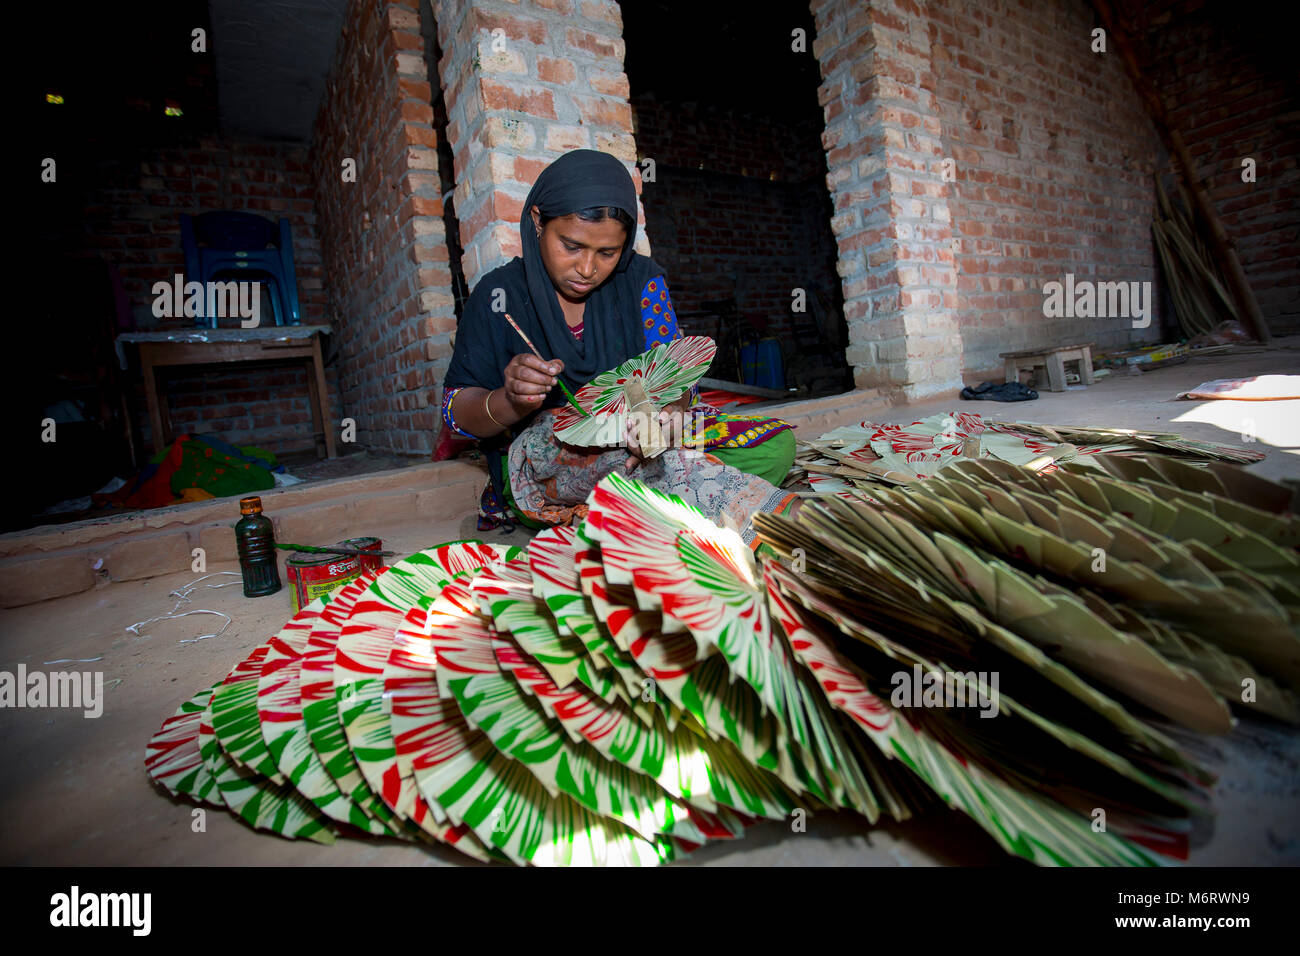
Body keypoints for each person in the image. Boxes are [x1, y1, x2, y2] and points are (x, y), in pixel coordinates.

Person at [440, 149, 799, 544]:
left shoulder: (642, 282)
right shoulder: (498, 296)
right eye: (572, 245)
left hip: (638, 435)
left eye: (607, 252)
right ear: (538, 221)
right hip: (547, 453)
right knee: (634, 464)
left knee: (774, 447)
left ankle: (634, 503)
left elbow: (676, 379)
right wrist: (511, 400)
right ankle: (664, 498)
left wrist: (667, 415)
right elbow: (457, 412)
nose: (588, 268)